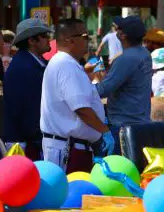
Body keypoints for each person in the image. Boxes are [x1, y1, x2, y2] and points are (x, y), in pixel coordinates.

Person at [40, 19, 112, 173]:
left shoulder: (66, 63)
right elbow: (81, 109)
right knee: (70, 194)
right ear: (70, 40)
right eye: (85, 36)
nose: (88, 40)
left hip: (70, 146)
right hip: (68, 149)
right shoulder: (66, 65)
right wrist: (104, 131)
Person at [95, 15, 154, 147]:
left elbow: (103, 90)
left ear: (123, 35)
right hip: (141, 122)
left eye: (119, 29)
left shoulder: (126, 59)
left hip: (123, 126)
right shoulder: (144, 53)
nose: (117, 31)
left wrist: (82, 87)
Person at [3, 18, 53, 160]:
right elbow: (24, 110)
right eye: (44, 36)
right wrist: (39, 138)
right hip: (25, 145)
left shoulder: (36, 62)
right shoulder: (22, 67)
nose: (49, 39)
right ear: (31, 41)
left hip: (34, 141)